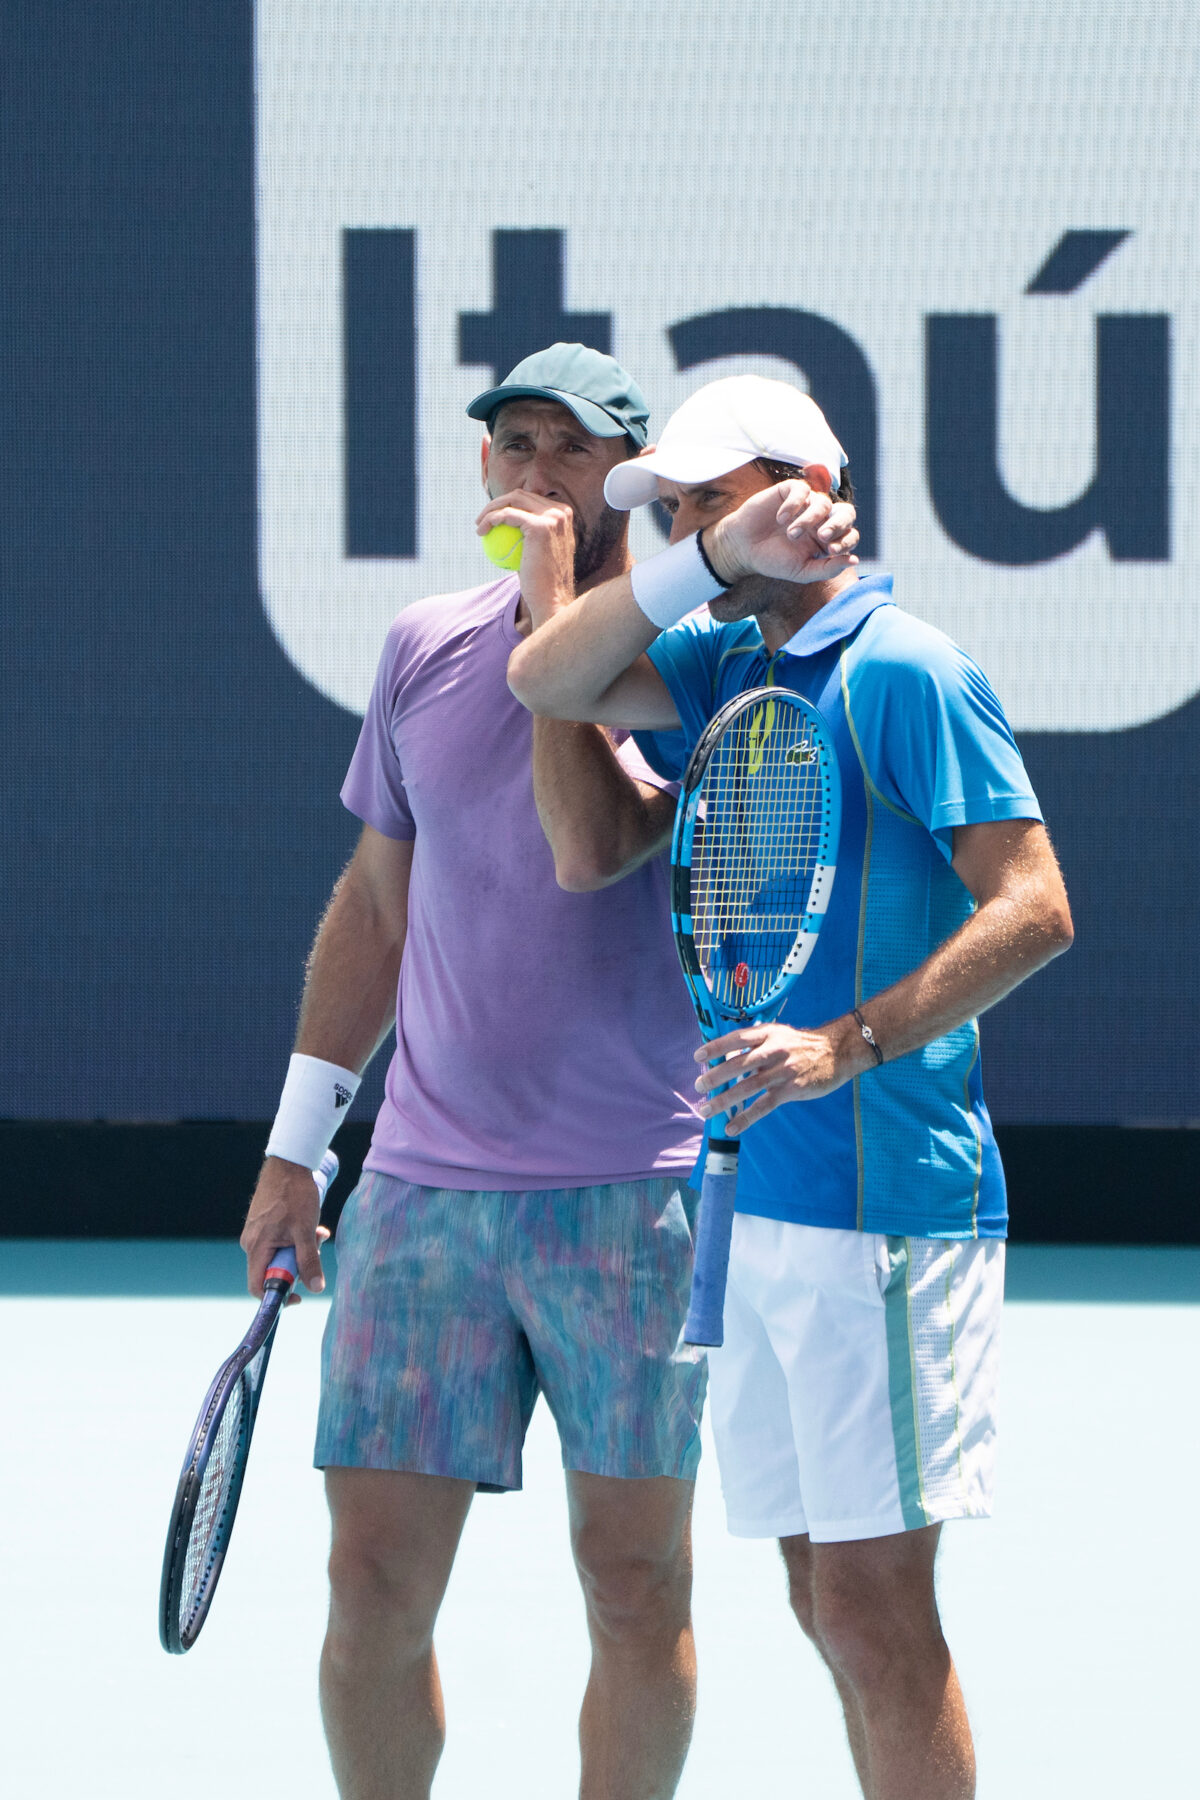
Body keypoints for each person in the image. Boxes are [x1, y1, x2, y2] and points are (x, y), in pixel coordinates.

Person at [239, 344, 861, 1800]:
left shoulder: (698, 665)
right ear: (483, 467)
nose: (535, 473)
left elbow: (595, 848)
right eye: (513, 444)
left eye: (571, 450)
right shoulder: (416, 647)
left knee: (634, 1586)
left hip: (637, 1201)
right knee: (370, 1587)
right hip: (419, 1199)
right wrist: (297, 1149)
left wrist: (554, 609)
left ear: (626, 484)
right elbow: (376, 909)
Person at [504, 373, 1074, 1800]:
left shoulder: (910, 671)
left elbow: (1037, 907)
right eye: (678, 510)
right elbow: (550, 681)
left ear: (810, 491)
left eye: (716, 496)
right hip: (762, 1205)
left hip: (887, 1209)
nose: (689, 526)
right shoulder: (725, 664)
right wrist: (710, 556)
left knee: (878, 1616)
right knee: (824, 1593)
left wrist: (848, 1044)